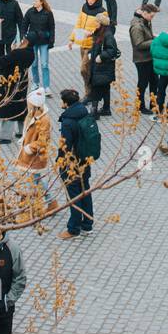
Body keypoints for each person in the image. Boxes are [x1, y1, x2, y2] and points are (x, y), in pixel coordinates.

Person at [57, 88, 96, 239]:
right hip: (85, 160)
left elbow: (65, 146)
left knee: (73, 195)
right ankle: (87, 223)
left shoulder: (68, 122)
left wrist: (60, 161)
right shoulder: (85, 113)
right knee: (85, 190)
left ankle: (73, 228)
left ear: (66, 103)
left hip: (72, 164)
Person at [129, 4, 158, 113]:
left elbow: (147, 36)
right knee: (143, 83)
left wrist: (154, 37)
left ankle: (153, 105)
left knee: (155, 81)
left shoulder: (145, 21)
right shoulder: (137, 26)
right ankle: (140, 106)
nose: (152, 18)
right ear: (144, 13)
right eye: (151, 16)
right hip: (142, 59)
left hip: (149, 57)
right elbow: (139, 44)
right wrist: (155, 41)